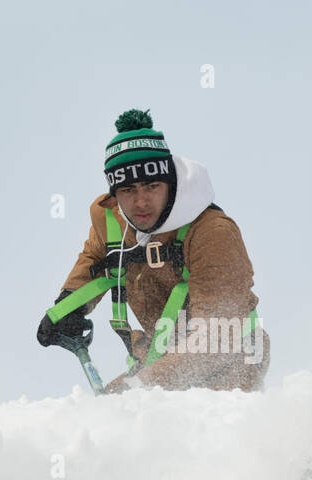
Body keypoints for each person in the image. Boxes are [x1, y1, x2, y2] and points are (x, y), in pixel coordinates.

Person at [36, 109, 269, 392]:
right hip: (161, 355)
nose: (140, 201)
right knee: (101, 420)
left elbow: (219, 336)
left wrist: (141, 386)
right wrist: (70, 304)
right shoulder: (112, 220)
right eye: (128, 190)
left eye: (151, 186)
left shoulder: (212, 233)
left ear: (169, 183)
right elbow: (96, 258)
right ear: (115, 193)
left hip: (232, 358)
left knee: (169, 423)